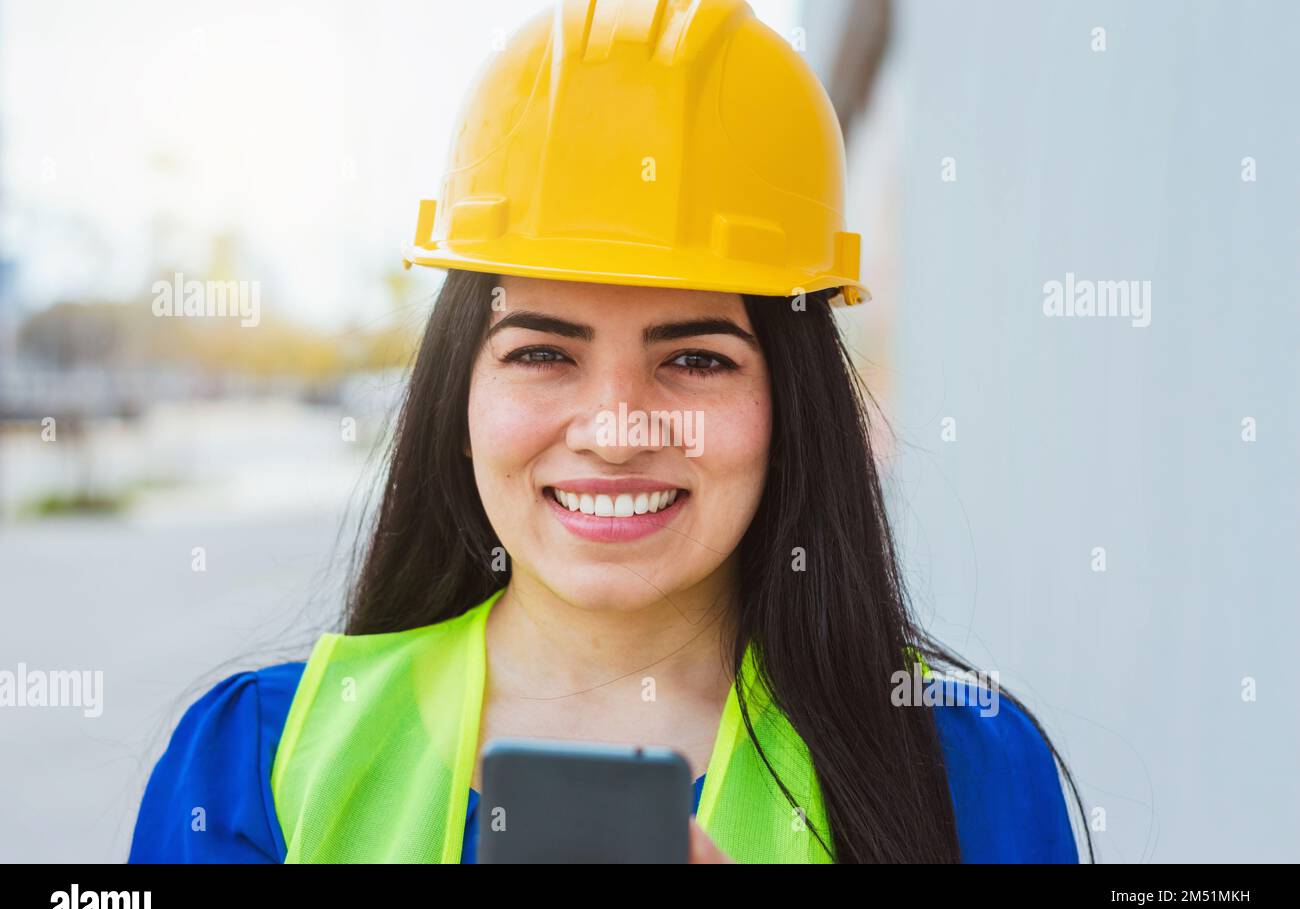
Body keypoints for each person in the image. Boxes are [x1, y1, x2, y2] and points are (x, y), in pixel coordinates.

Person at [130, 0, 1088, 864]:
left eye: (698, 359)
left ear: (792, 408)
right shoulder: (258, 766)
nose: (617, 428)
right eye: (543, 354)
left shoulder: (969, 771)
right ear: (456, 401)